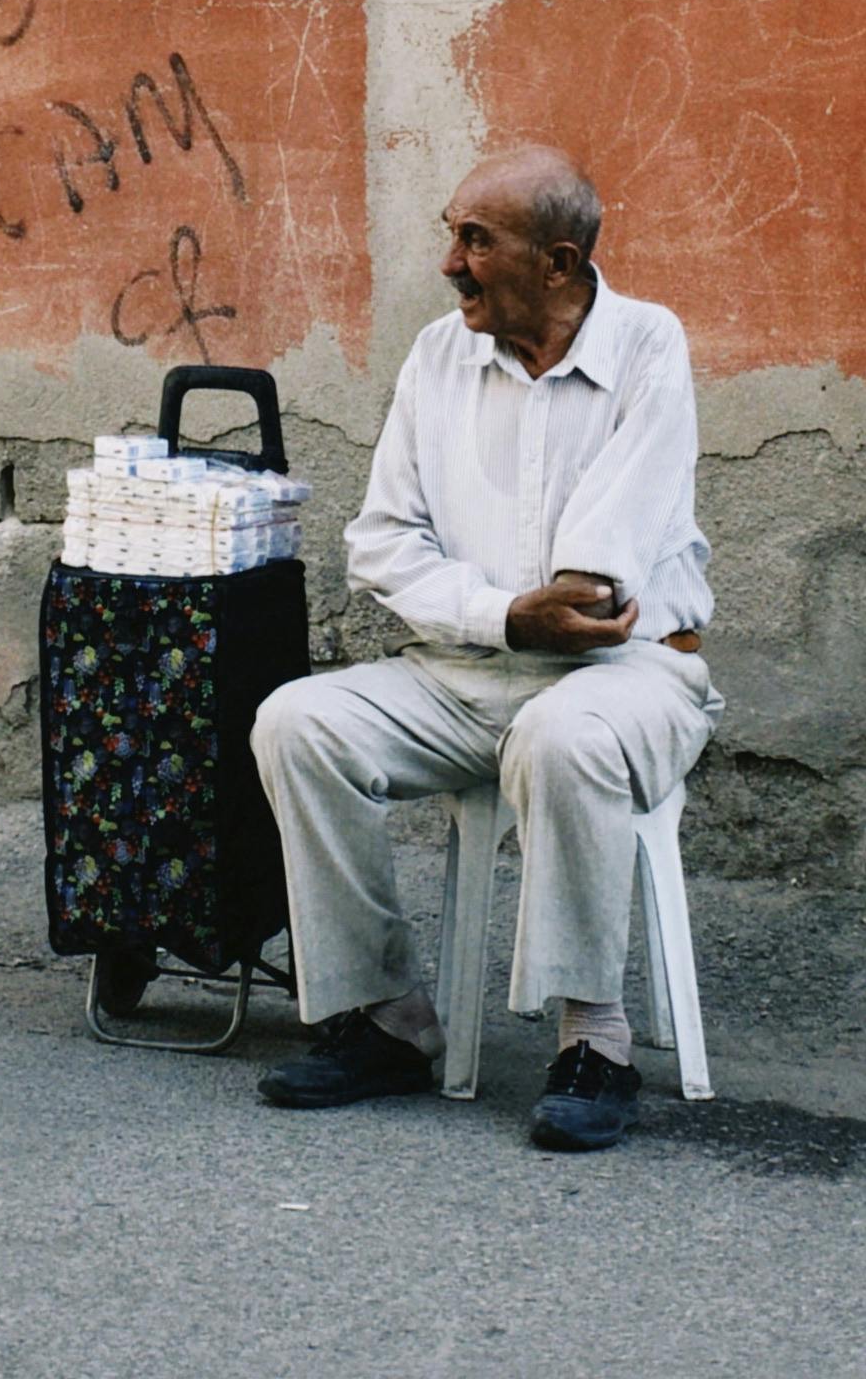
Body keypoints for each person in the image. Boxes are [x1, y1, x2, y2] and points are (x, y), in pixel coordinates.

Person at [250, 144, 721, 1151]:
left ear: (554, 263)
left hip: (624, 676)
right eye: (451, 236)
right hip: (465, 671)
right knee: (297, 722)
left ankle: (593, 1038)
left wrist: (538, 613)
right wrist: (500, 616)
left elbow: (595, 585)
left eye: (475, 241)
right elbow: (381, 542)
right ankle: (385, 1018)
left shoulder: (646, 345)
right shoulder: (436, 356)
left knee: (561, 737)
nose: (449, 264)